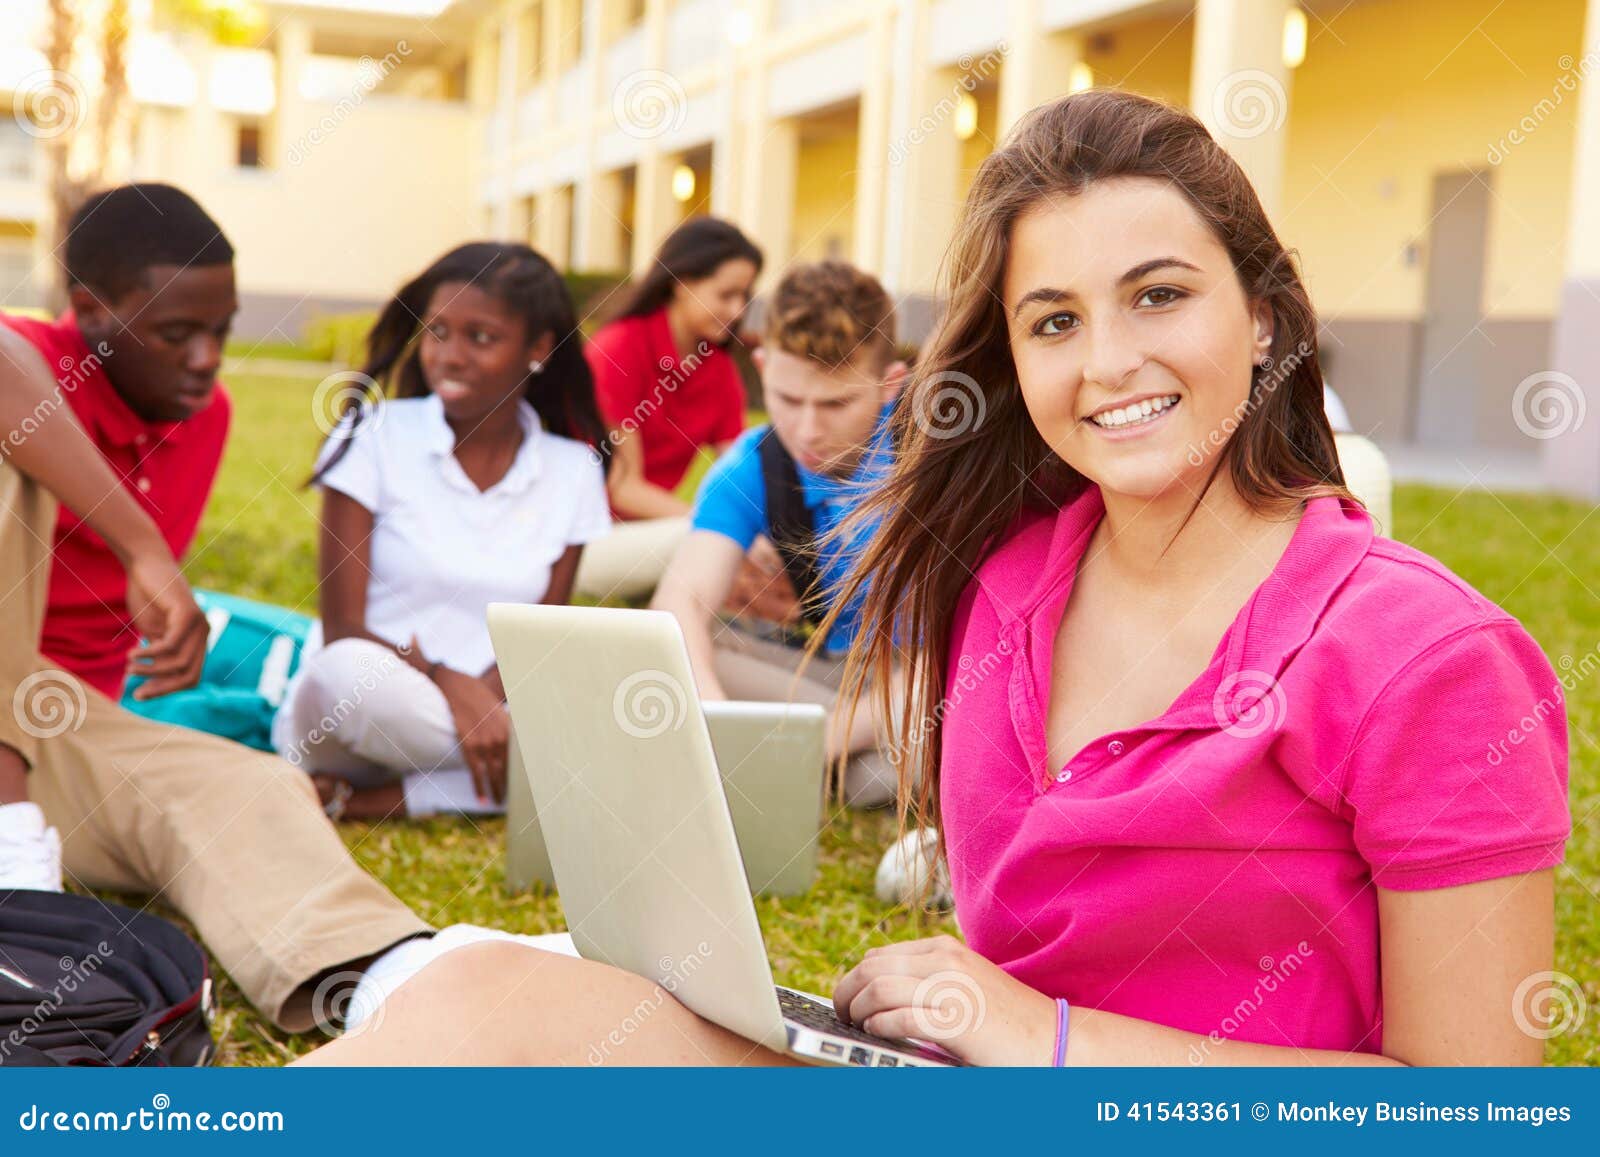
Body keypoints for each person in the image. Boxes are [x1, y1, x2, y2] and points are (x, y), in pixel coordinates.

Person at [298, 92, 1569, 1068]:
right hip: (959, 1085)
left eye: (1161, 295)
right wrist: (974, 1013)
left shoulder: (1427, 658)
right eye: (1054, 320)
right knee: (467, 994)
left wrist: (1054, 1038)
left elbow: (1475, 1111)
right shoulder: (1009, 580)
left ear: (1271, 321)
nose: (1109, 361)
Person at [0, 183, 435, 1029]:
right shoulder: (33, 358)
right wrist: (141, 544)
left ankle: (389, 982)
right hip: (14, 761)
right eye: (176, 333)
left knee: (250, 784)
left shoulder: (203, 415)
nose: (207, 358)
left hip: (61, 730)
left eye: (222, 331)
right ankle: (12, 852)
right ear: (88, 313)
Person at [272, 243, 612, 821]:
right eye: (437, 332)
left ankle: (378, 802)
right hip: (368, 702)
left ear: (537, 348)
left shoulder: (572, 470)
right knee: (344, 675)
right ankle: (518, 777)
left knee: (600, 711)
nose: (449, 356)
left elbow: (541, 637)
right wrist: (449, 684)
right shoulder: (372, 435)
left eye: (480, 337)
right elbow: (343, 628)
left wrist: (489, 702)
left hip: (495, 712)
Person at [650, 261, 906, 808]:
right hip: (833, 677)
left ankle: (800, 757)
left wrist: (807, 747)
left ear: (891, 385)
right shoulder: (751, 464)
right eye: (789, 400)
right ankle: (773, 751)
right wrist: (711, 716)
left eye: (836, 403)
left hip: (943, 683)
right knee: (670, 650)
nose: (808, 431)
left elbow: (970, 653)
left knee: (884, 775)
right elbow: (680, 604)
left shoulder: (940, 460)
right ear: (762, 367)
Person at [573, 217, 786, 611]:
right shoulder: (619, 348)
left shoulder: (717, 369)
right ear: (681, 283)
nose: (737, 310)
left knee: (749, 538)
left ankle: (798, 634)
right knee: (712, 535)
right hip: (580, 543)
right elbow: (623, 488)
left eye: (745, 296)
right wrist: (721, 523)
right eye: (726, 294)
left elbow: (743, 476)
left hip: (650, 539)